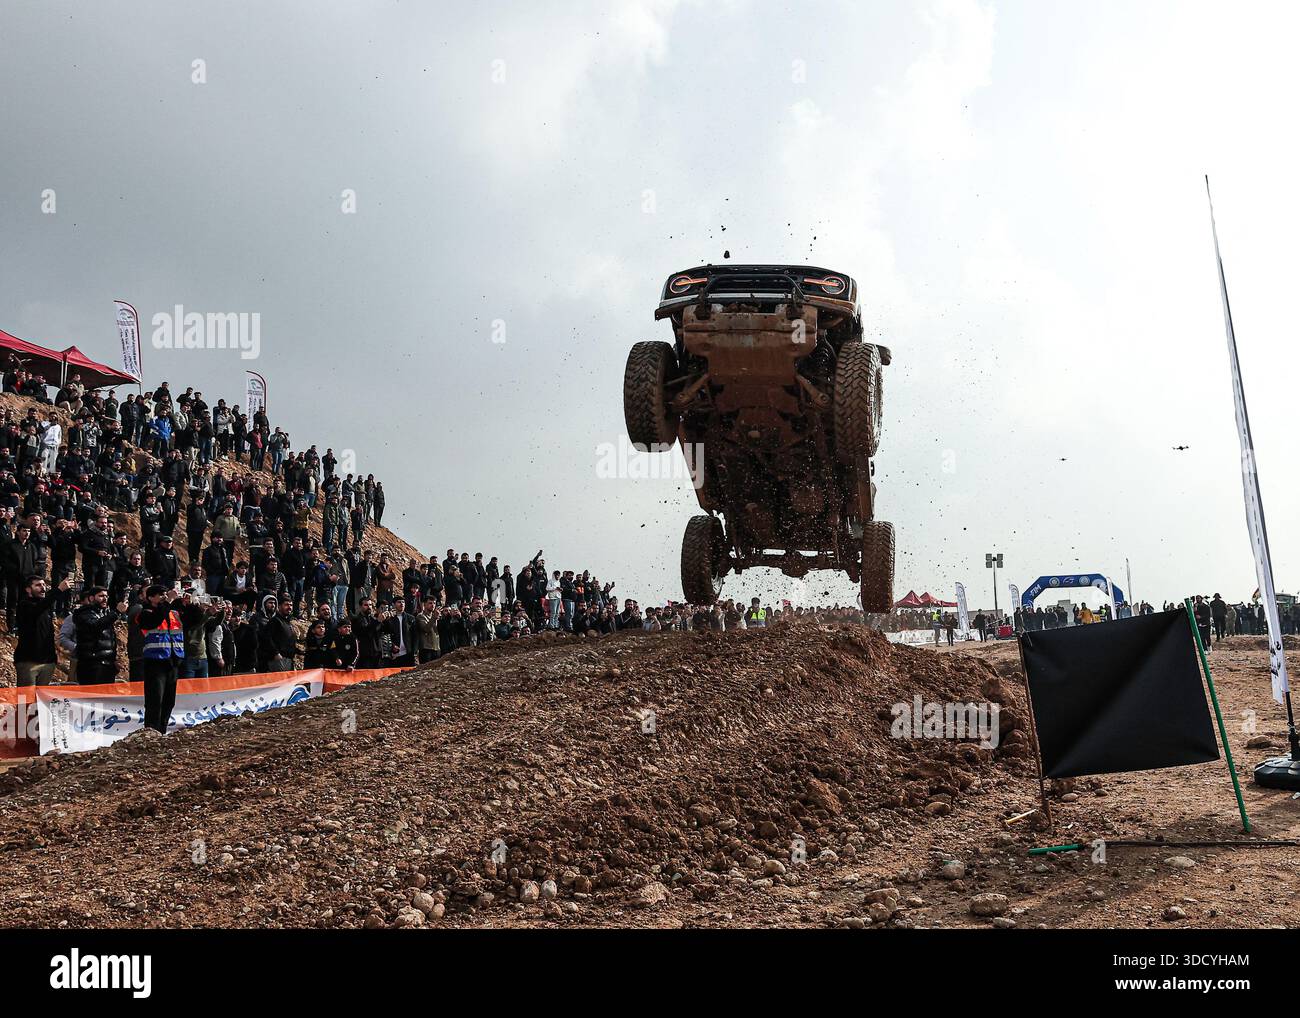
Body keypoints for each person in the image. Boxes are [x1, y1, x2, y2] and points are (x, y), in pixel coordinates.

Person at [138, 585, 185, 733]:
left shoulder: (173, 612)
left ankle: (162, 730)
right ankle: (151, 731)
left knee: (169, 701)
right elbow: (155, 620)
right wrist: (169, 601)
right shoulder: (145, 613)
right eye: (160, 595)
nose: (164, 597)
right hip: (155, 662)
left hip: (172, 661)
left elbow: (192, 621)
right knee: (154, 700)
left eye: (165, 594)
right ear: (151, 597)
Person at [13, 575, 70, 686]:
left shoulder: (45, 606)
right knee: (24, 700)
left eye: (44, 585)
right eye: (38, 585)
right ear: (28, 589)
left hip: (48, 661)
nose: (43, 588)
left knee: (40, 701)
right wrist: (58, 590)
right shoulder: (24, 605)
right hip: (28, 661)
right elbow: (37, 610)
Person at [72, 586, 129, 684]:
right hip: (91, 665)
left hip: (107, 665)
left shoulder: (103, 613)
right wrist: (116, 612)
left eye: (106, 596)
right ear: (91, 598)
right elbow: (95, 626)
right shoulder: (84, 613)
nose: (105, 599)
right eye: (101, 596)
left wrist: (113, 660)